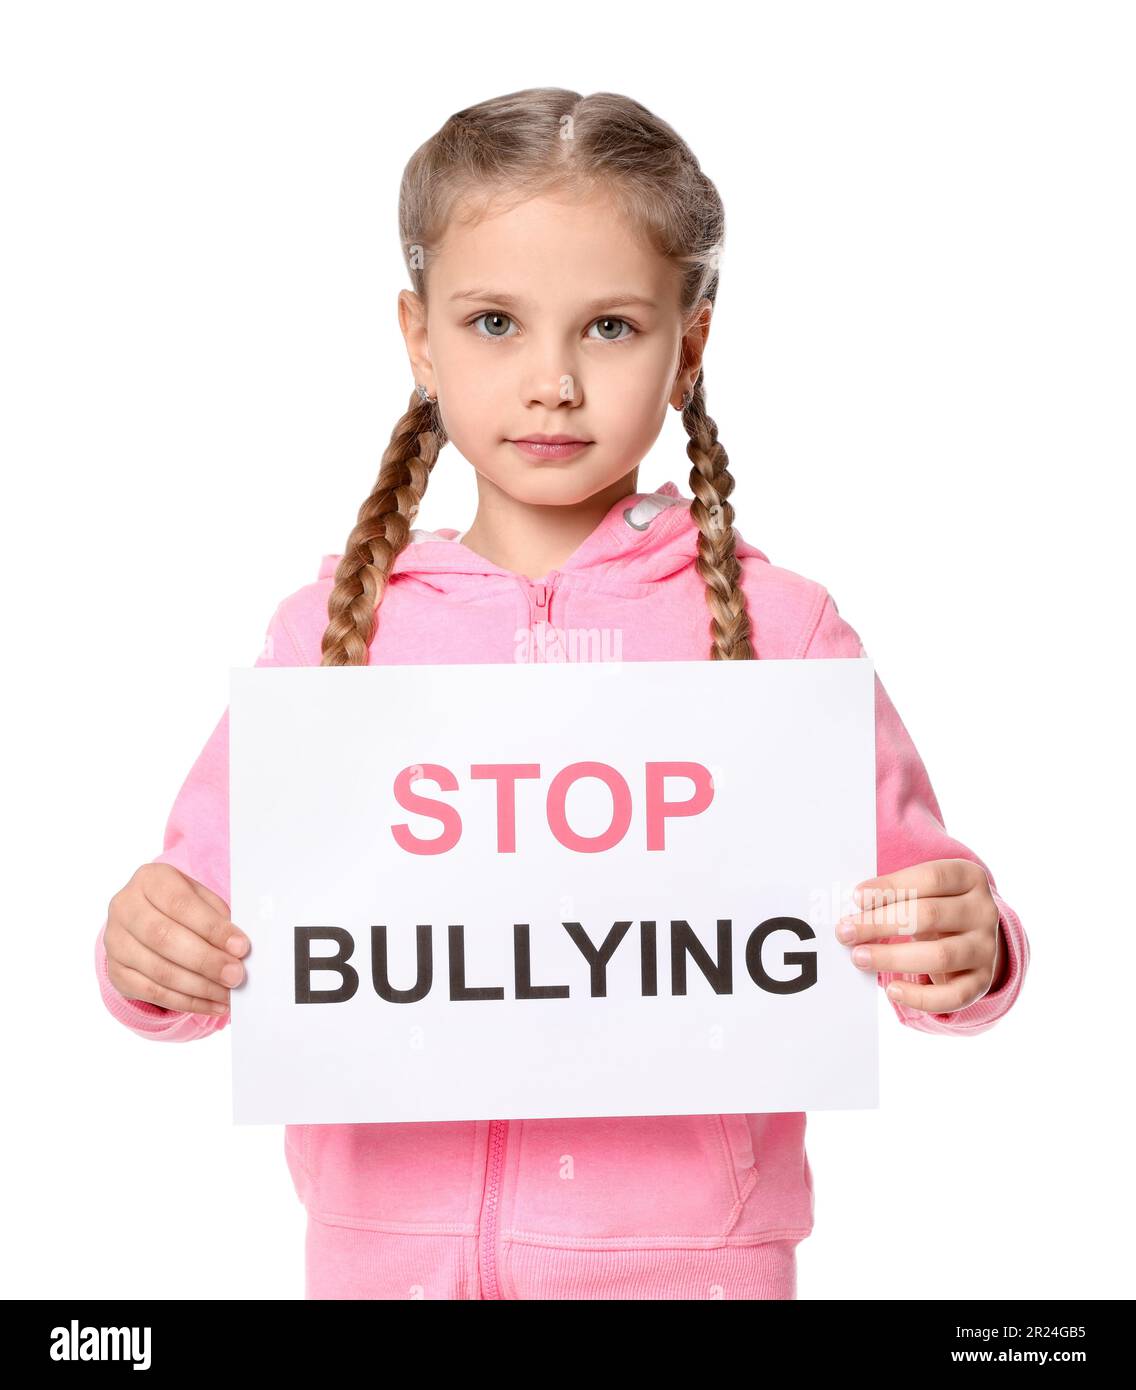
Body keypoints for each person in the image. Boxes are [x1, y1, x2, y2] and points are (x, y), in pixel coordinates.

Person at [95, 87, 1029, 1301]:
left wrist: (970, 946)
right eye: (492, 321)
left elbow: (921, 927)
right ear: (417, 338)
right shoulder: (330, 641)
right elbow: (199, 931)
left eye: (607, 327)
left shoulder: (784, 635)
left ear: (687, 346)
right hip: (384, 1273)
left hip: (691, 1276)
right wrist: (145, 949)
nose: (550, 381)